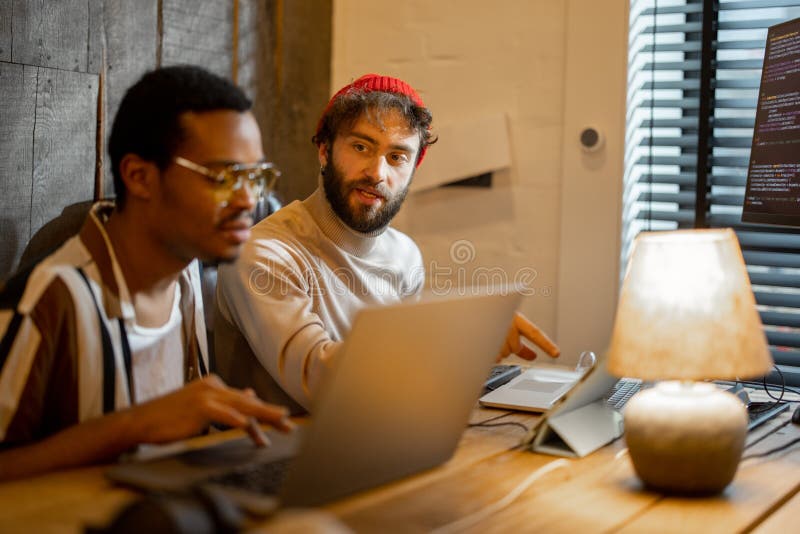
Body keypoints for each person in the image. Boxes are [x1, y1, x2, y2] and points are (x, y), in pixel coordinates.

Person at [0, 65, 291, 480]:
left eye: (255, 177)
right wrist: (134, 425)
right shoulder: (48, 301)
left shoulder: (186, 276)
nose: (248, 200)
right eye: (224, 177)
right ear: (139, 176)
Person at [214, 74, 559, 413]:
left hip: (369, 444)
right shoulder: (263, 254)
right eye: (361, 147)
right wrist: (458, 336)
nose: (377, 173)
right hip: (271, 458)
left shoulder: (405, 255)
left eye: (397, 157)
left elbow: (395, 381)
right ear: (324, 150)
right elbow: (321, 386)